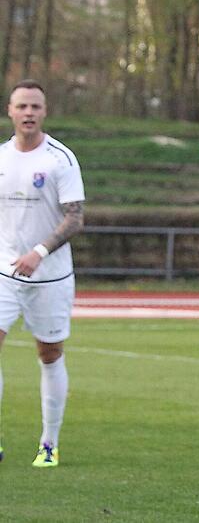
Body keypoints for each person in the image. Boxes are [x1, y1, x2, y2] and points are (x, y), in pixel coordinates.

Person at [0, 79, 85, 468]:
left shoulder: (59, 159)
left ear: (44, 111)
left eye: (35, 106)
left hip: (49, 276)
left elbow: (75, 217)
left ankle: (49, 443)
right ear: (10, 111)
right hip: (3, 273)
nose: (28, 113)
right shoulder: (1, 157)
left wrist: (38, 251)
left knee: (49, 353)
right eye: (22, 106)